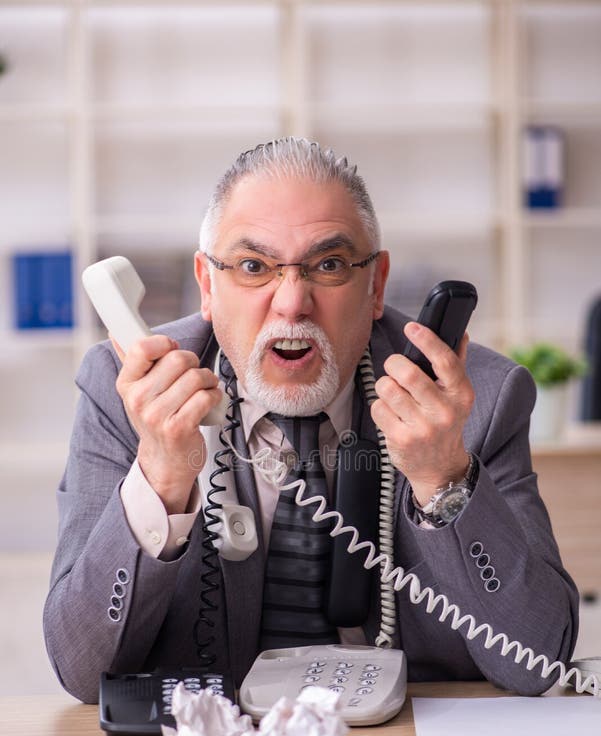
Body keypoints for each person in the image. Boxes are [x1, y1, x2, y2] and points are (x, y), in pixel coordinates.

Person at [44, 137, 578, 704]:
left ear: (376, 284)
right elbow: (82, 670)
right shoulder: (128, 388)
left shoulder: (477, 399)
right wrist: (160, 475)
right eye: (254, 267)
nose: (292, 303)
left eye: (329, 265)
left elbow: (538, 661)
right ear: (207, 285)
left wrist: (443, 477)